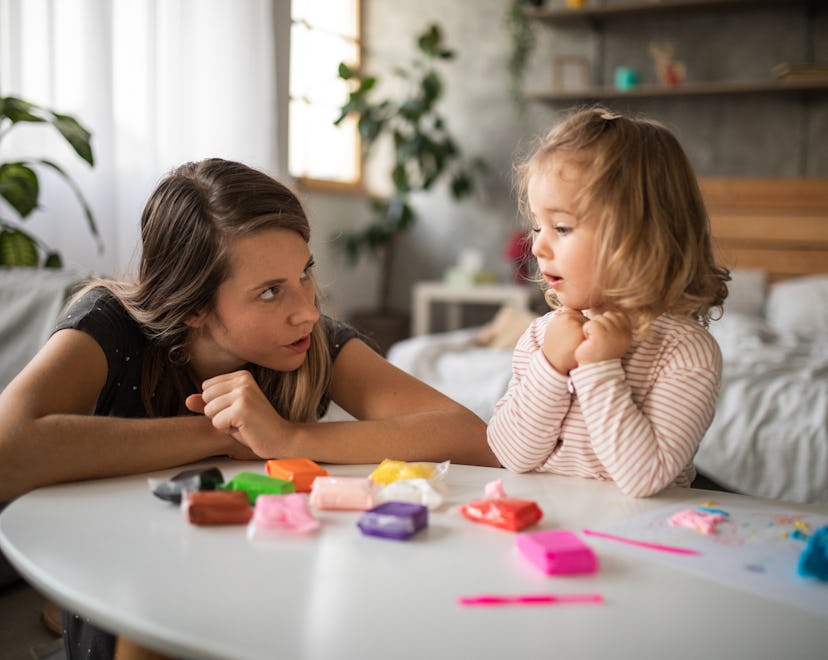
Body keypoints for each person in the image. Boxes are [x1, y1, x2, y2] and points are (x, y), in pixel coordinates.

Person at [0, 158, 498, 659]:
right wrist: (221, 435)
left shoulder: (310, 342)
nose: (307, 308)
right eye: (269, 292)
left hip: (259, 602)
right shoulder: (110, 325)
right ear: (193, 305)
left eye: (304, 274)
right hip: (132, 601)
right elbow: (7, 451)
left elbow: (470, 437)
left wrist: (290, 439)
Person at [487, 107, 729, 498]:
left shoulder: (683, 352)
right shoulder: (543, 337)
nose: (537, 245)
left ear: (642, 236)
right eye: (537, 225)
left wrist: (598, 367)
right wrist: (550, 368)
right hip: (546, 529)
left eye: (562, 227)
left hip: (639, 543)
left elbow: (644, 478)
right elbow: (510, 454)